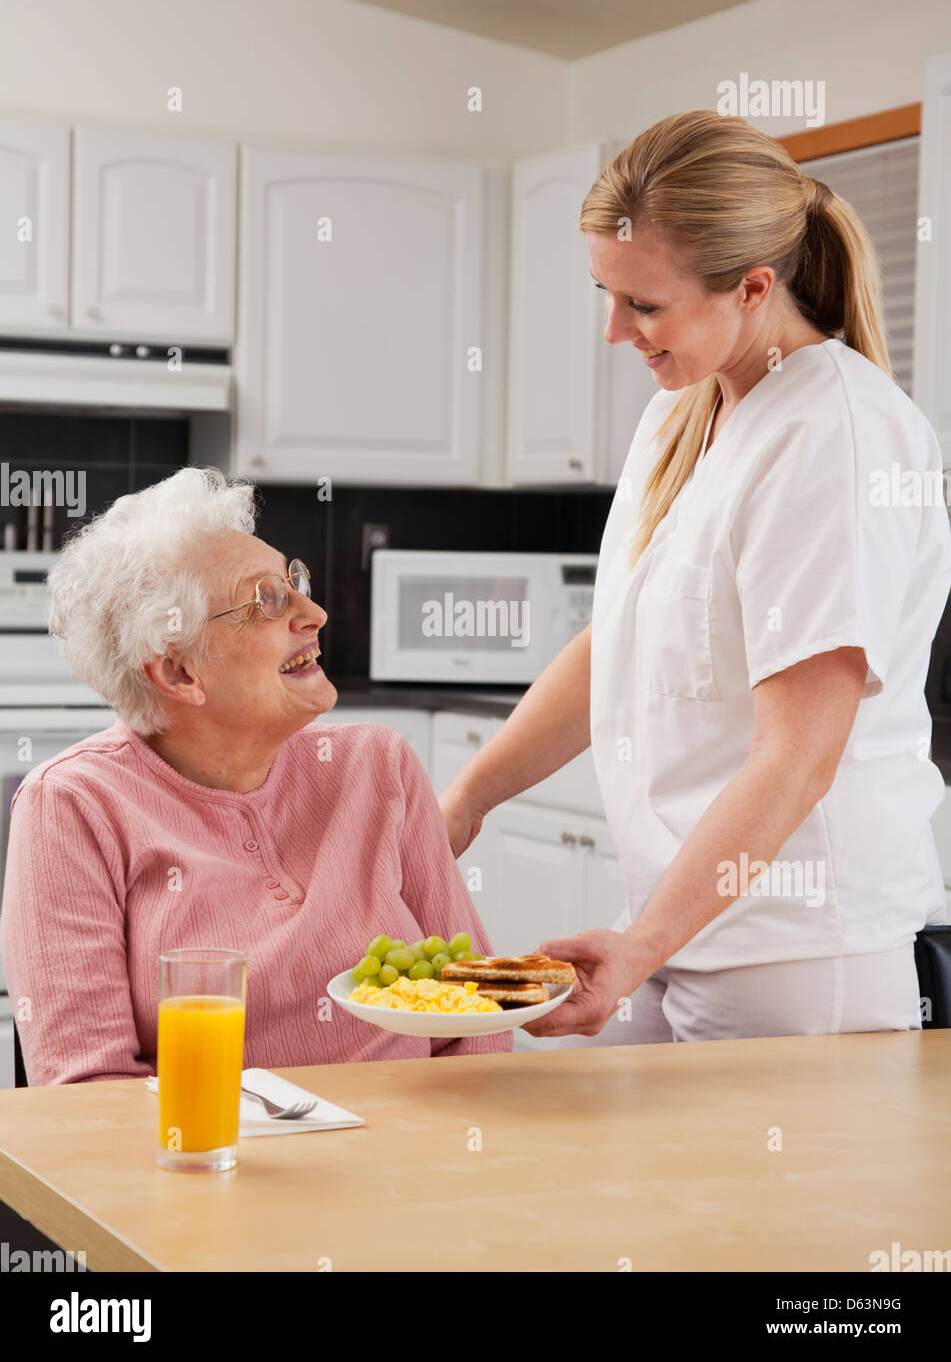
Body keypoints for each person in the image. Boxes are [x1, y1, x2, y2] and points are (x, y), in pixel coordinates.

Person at [439, 109, 951, 1044]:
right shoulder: (684, 413)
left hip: (797, 953)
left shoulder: (832, 436)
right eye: (605, 293)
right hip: (680, 930)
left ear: (752, 287)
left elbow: (797, 756)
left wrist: (637, 946)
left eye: (642, 304)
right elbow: (620, 647)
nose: (613, 331)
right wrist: (468, 798)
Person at [1, 468, 510, 1083]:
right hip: (210, 1163)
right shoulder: (74, 804)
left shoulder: (379, 765)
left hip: (406, 1159)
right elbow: (87, 1091)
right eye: (267, 599)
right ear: (180, 672)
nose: (316, 613)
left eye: (294, 582)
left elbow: (477, 1016)